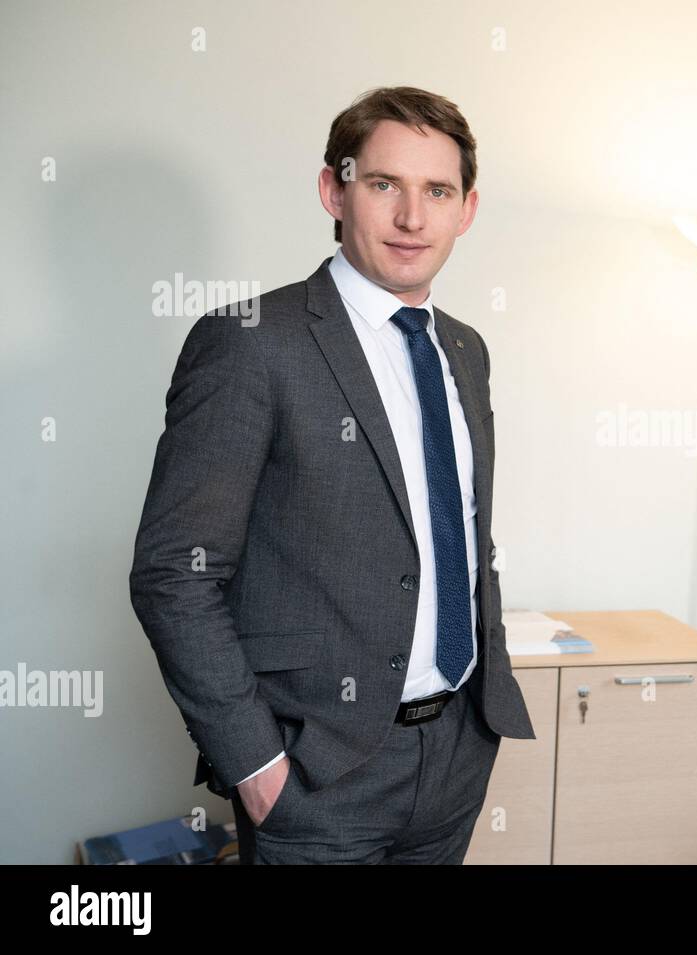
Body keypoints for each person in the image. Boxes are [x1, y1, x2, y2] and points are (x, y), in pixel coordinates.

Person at [128, 86, 535, 864]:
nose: (412, 218)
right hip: (317, 772)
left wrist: (481, 713)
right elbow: (173, 575)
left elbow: (459, 536)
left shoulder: (466, 350)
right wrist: (256, 766)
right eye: (384, 184)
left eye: (437, 191)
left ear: (466, 209)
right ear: (333, 190)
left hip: (456, 754)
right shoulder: (252, 342)